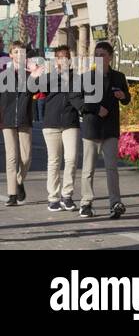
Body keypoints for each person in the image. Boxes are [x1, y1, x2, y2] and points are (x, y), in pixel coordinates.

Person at [73, 41, 129, 219]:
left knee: (112, 168)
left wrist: (123, 96)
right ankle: (86, 203)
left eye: (102, 54)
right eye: (96, 54)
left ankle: (115, 203)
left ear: (110, 57)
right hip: (92, 127)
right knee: (88, 168)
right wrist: (95, 109)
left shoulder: (119, 77)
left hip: (111, 129)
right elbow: (75, 98)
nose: (98, 57)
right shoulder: (85, 77)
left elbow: (127, 98)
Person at [40, 46, 80, 212]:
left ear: (70, 60)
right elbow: (35, 88)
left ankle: (67, 195)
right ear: (55, 60)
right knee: (54, 161)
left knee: (71, 159)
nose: (63, 61)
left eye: (66, 57)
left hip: (70, 123)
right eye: (60, 58)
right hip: (51, 123)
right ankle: (53, 198)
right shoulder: (49, 78)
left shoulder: (77, 79)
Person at [1, 40, 34, 206]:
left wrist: (35, 74)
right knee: (11, 158)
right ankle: (12, 194)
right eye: (16, 52)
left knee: (27, 157)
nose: (19, 55)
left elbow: (39, 91)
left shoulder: (30, 75)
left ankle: (19, 180)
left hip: (24, 120)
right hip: (6, 121)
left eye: (22, 52)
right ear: (10, 55)